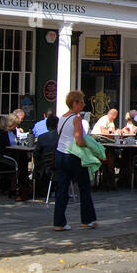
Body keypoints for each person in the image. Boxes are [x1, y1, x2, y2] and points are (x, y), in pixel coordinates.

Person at [53, 90, 97, 231]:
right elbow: (78, 139)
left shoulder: (62, 118)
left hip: (60, 154)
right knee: (84, 187)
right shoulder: (76, 118)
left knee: (62, 189)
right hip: (73, 156)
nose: (84, 105)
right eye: (82, 102)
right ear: (75, 103)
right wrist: (89, 145)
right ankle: (87, 219)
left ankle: (59, 222)